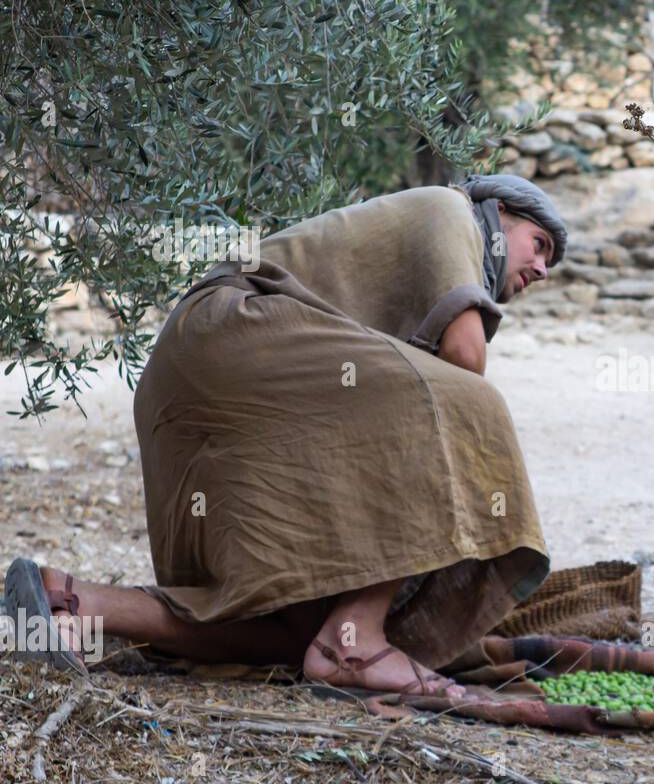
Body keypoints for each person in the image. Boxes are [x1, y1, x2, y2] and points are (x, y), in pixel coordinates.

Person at [5, 174, 567, 699]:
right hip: (233, 331)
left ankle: (74, 602)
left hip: (204, 382)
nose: (542, 268)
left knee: (289, 629)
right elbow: (465, 360)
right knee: (467, 407)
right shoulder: (453, 210)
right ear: (499, 213)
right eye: (539, 244)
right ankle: (358, 641)